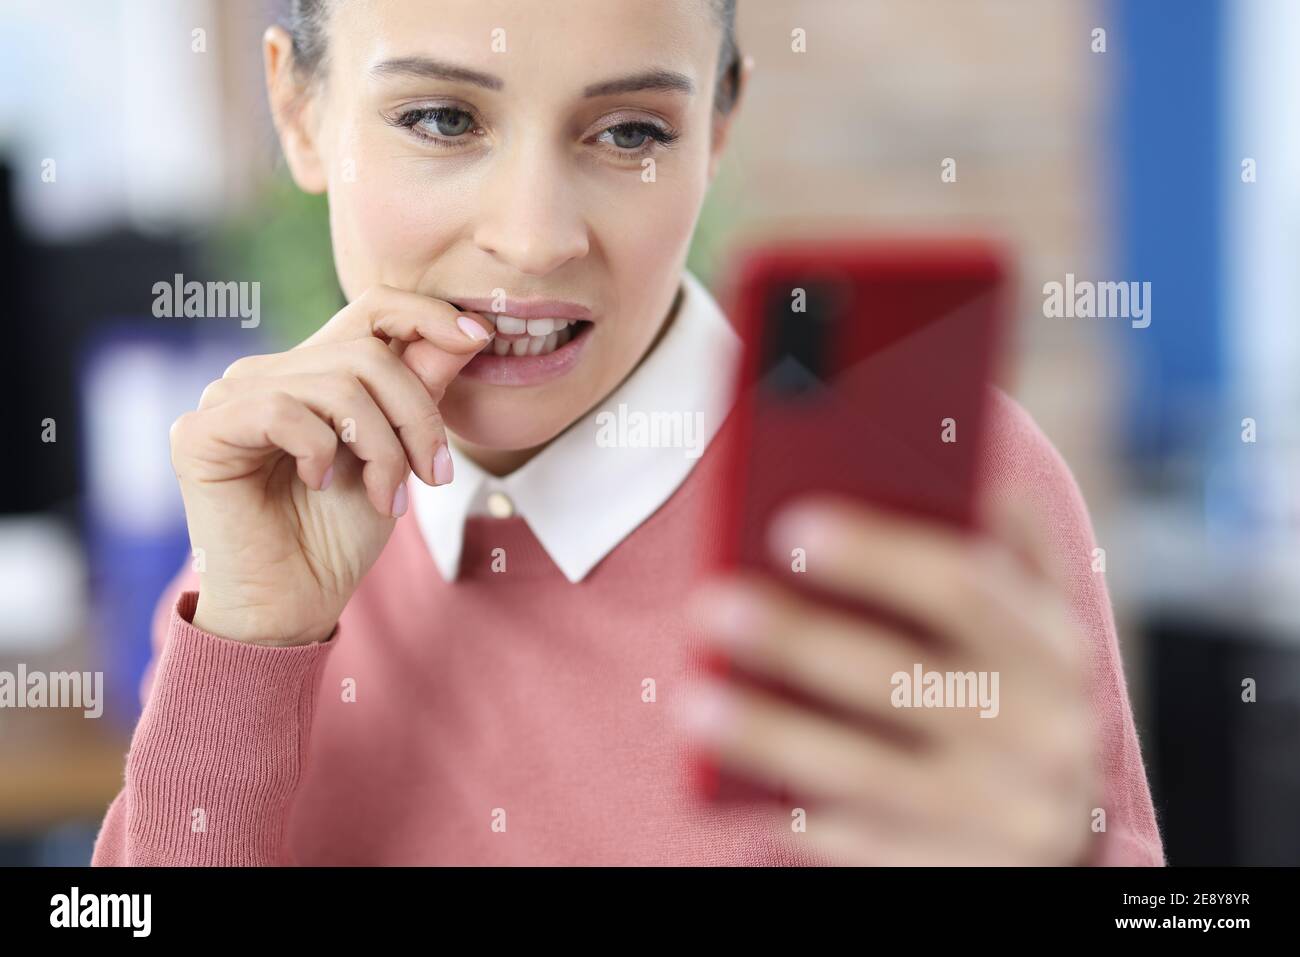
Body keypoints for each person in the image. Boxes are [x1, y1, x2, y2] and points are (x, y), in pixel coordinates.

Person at [91, 0, 1162, 865]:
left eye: (631, 132)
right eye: (441, 120)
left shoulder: (947, 488)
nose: (534, 239)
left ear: (718, 130)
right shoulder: (279, 534)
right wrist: (246, 646)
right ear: (299, 110)